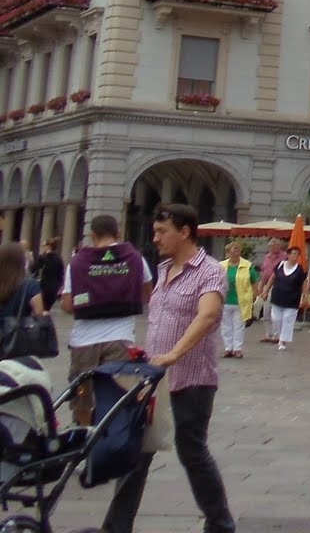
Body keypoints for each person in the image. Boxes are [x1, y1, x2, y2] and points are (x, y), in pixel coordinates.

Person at [101, 202, 234, 533]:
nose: (155, 238)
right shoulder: (163, 269)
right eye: (154, 232)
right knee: (137, 452)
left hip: (192, 377)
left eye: (162, 231)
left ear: (185, 232)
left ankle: (220, 524)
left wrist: (174, 354)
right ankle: (115, 527)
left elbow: (207, 316)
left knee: (192, 452)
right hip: (152, 378)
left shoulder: (210, 270)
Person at [60, 214, 154, 423]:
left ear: (92, 235)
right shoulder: (136, 259)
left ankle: (85, 438)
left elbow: (67, 305)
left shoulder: (77, 263)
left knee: (82, 397)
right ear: (118, 233)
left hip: (83, 341)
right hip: (120, 339)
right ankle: (110, 437)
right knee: (116, 395)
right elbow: (148, 294)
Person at [219, 242, 257, 359]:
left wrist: (254, 296)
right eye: (233, 251)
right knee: (226, 325)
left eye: (238, 251)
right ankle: (228, 348)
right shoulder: (221, 265)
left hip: (241, 301)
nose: (236, 253)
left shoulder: (247, 265)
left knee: (239, 325)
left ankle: (237, 349)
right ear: (228, 252)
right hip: (225, 300)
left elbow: (254, 281)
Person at [268, 246, 307, 350]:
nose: (295, 256)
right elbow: (273, 278)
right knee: (276, 318)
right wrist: (266, 290)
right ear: (288, 255)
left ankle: (283, 340)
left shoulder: (299, 269)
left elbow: (303, 283)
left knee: (287, 319)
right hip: (278, 296)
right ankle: (279, 334)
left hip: (292, 298)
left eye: (297, 254)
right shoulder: (280, 265)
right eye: (293, 253)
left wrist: (304, 296)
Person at [257, 238, 287, 342]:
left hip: (279, 286)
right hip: (267, 286)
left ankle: (277, 334)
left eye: (277, 245)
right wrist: (261, 286)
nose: (275, 246)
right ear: (269, 246)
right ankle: (268, 334)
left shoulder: (284, 257)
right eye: (273, 245)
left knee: (276, 311)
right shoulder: (266, 257)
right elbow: (263, 272)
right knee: (266, 311)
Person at [30, 237, 64, 310]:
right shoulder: (58, 259)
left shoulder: (43, 258)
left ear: (48, 247)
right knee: (47, 309)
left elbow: (33, 269)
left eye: (43, 246)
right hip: (54, 288)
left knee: (39, 309)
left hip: (43, 287)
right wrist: (59, 286)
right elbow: (61, 274)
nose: (42, 247)